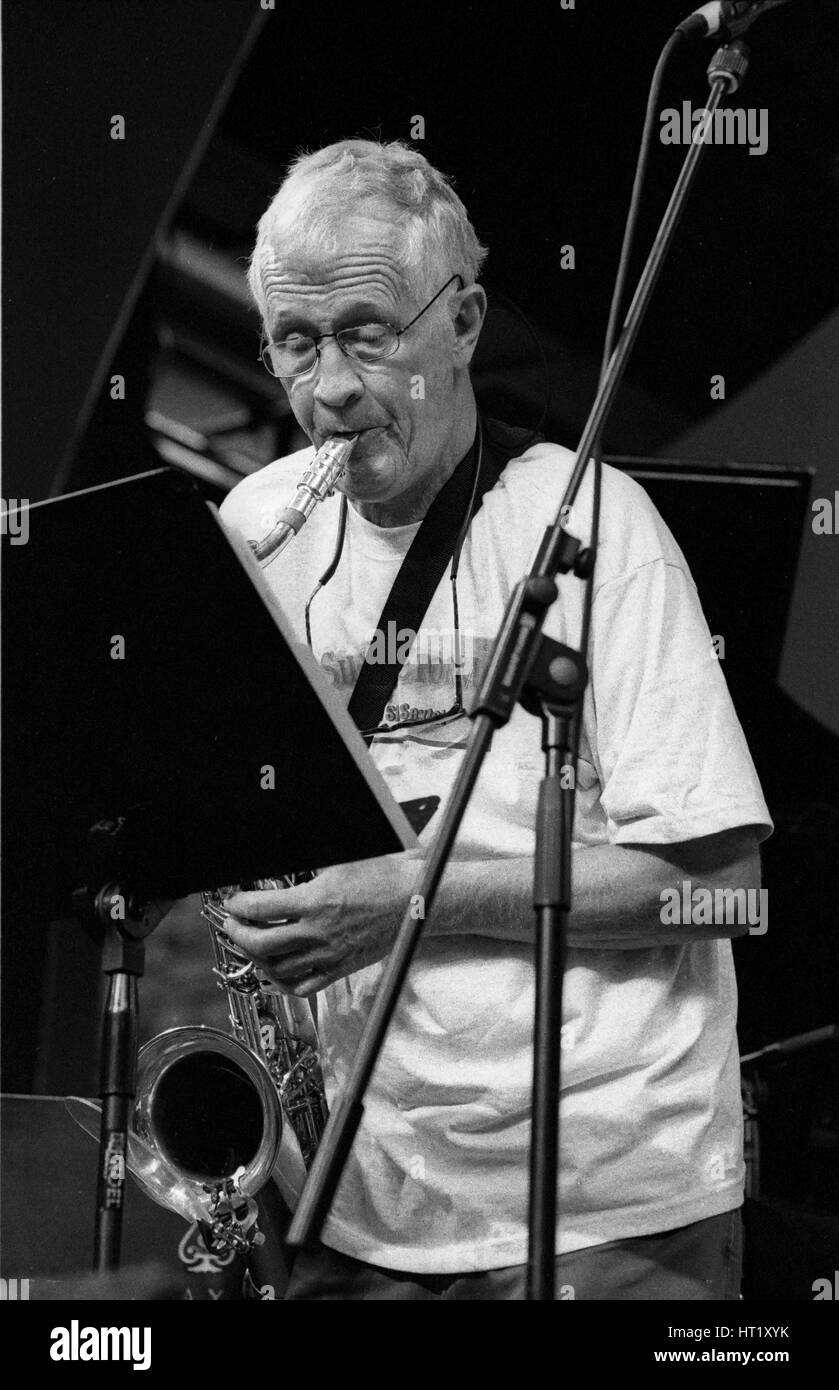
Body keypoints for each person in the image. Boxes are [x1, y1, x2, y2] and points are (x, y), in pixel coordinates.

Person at [219, 138, 772, 1301]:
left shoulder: (597, 527)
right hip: (359, 1199)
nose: (327, 389)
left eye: (366, 334)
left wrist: (413, 897)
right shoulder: (253, 527)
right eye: (294, 342)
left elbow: (720, 879)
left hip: (610, 1206)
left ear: (462, 322)